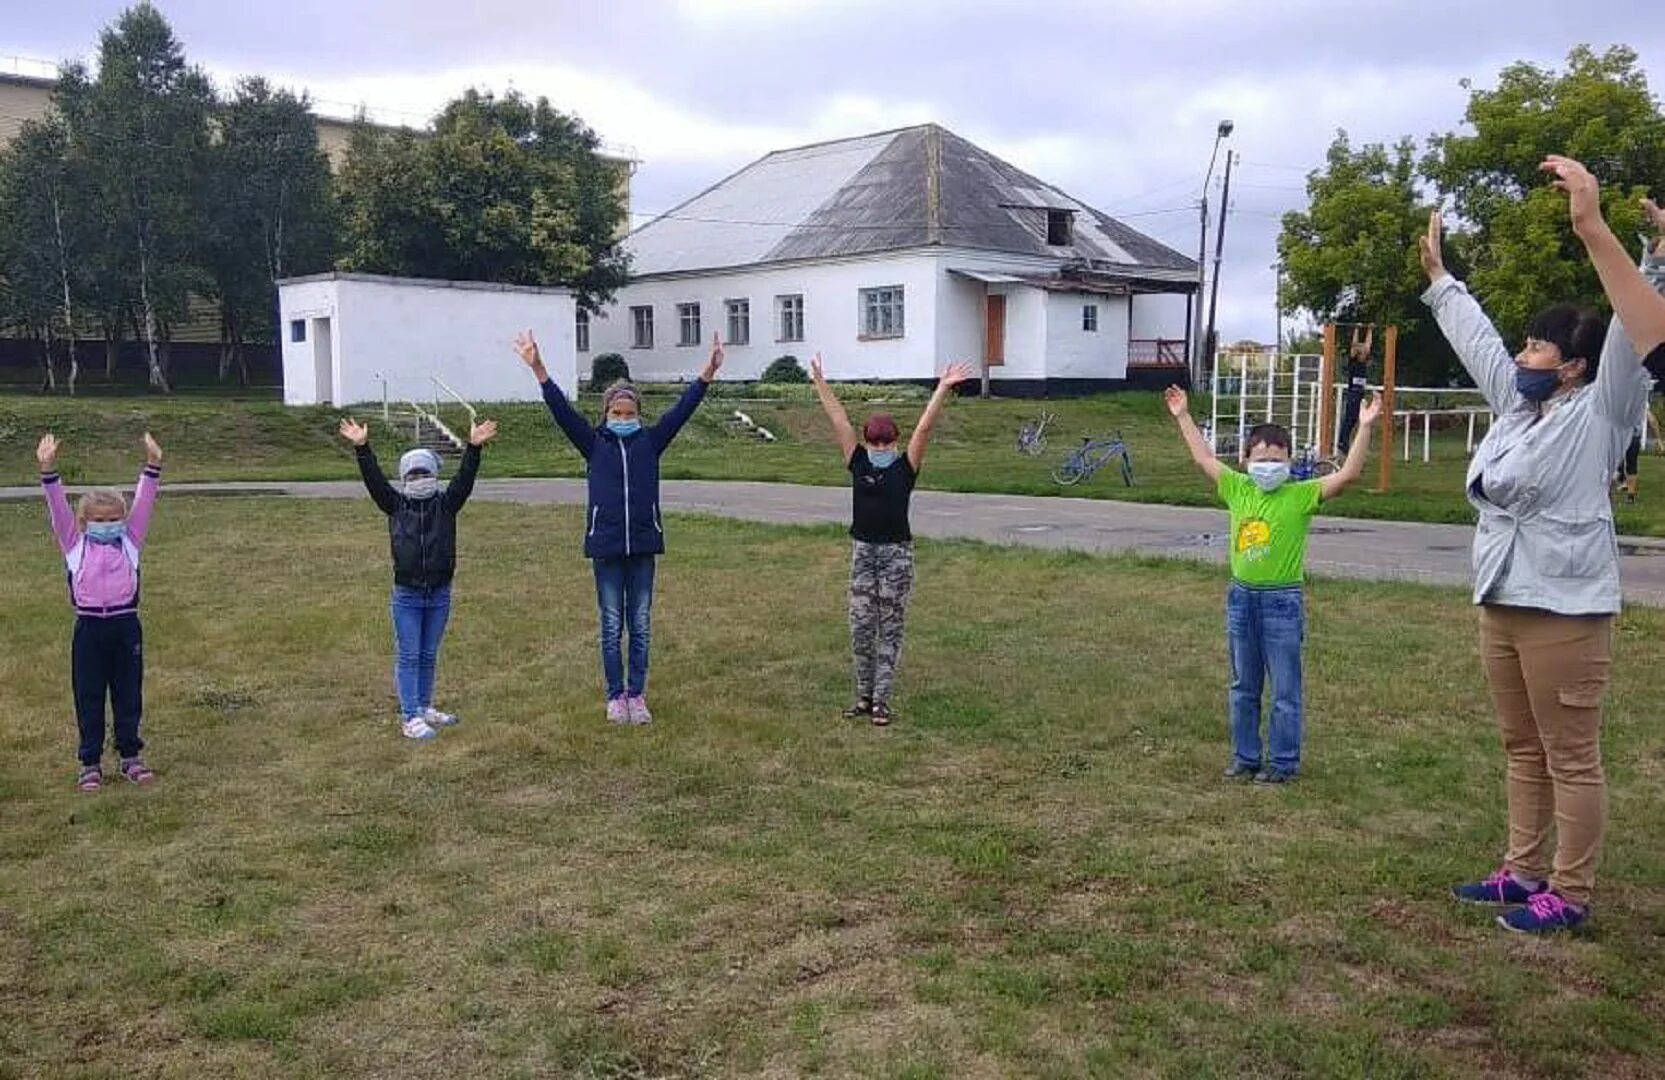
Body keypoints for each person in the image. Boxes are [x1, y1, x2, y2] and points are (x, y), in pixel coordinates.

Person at [1420, 155, 1665, 934]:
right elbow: (1478, 345)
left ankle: (1571, 890)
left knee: (1570, 757)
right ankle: (1521, 873)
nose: (1522, 358)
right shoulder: (1514, 409)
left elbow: (1638, 333)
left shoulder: (1602, 412)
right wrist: (1441, 280)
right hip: (1502, 600)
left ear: (1573, 368)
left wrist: (1652, 259)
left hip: (1565, 610)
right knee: (1520, 748)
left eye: (1537, 349)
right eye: (1524, 346)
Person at [1164, 385, 1381, 783]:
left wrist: (1364, 427)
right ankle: (1246, 758)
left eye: (1276, 459)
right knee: (1243, 685)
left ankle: (1282, 764)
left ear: (1290, 462)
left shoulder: (1301, 495)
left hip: (1282, 602)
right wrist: (1182, 416)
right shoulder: (1237, 488)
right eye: (1260, 459)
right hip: (1241, 599)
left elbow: (1348, 474)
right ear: (1246, 460)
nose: (1268, 466)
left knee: (1284, 691)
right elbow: (1202, 457)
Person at [517, 329, 722, 724]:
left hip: (643, 545)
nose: (624, 419)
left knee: (640, 624)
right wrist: (539, 368)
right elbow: (560, 410)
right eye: (617, 414)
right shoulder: (594, 443)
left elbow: (684, 408)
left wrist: (708, 371)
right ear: (606, 414)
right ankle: (615, 695)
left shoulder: (651, 441)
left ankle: (637, 694)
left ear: (638, 416)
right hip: (607, 547)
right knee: (611, 624)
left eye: (630, 414)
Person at [809, 354, 974, 726]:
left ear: (895, 443)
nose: (880, 450)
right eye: (875, 444)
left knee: (890, 626)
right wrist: (820, 382)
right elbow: (838, 420)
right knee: (861, 626)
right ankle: (864, 697)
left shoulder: (905, 467)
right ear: (867, 443)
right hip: (864, 553)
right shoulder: (858, 463)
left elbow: (924, 430)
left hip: (896, 556)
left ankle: (882, 700)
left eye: (886, 444)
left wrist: (942, 389)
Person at [339, 415, 498, 740]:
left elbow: (465, 479)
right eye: (413, 473)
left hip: (439, 592)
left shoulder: (446, 504)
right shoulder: (395, 505)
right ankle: (410, 717)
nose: (420, 478)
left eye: (425, 472)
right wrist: (362, 448)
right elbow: (374, 481)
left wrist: (474, 448)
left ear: (435, 475)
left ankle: (425, 706)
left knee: (428, 653)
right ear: (404, 478)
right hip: (407, 594)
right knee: (409, 654)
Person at [36, 431, 164, 791]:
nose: (108, 525)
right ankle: (90, 762)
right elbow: (58, 508)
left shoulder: (130, 542)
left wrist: (153, 464)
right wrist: (48, 470)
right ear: (84, 522)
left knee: (128, 694)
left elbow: (145, 503)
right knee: (89, 695)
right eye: (100, 520)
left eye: (113, 519)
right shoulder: (74, 545)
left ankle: (130, 757)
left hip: (126, 628)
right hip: (89, 631)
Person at [1337, 326, 1373, 453]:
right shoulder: (1353, 362)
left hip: (1360, 395)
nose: (1364, 353)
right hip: (1353, 394)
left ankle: (1346, 443)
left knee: (1356, 421)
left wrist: (1370, 330)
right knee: (1349, 419)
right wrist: (1357, 329)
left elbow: (1368, 346)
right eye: (1362, 352)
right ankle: (1342, 443)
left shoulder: (1363, 363)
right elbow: (1354, 346)